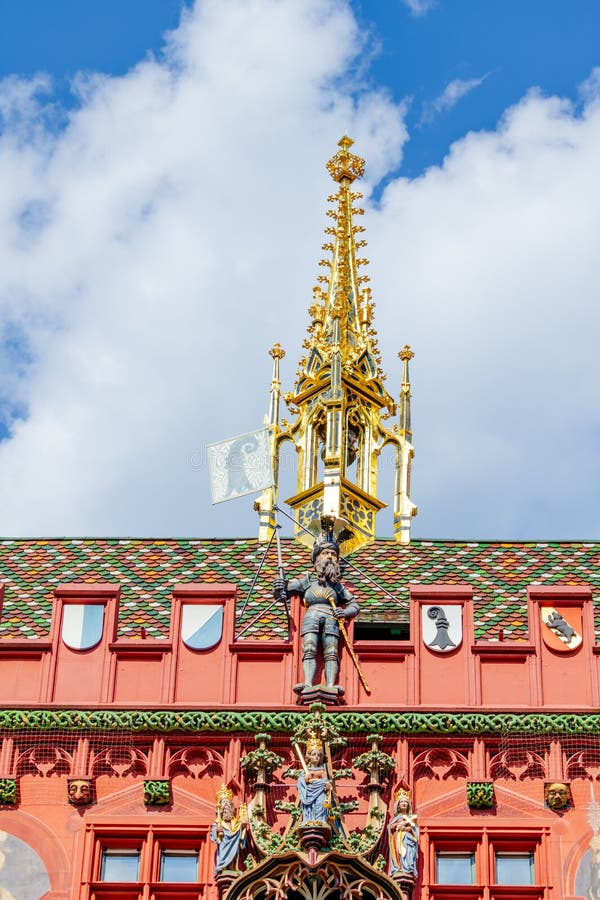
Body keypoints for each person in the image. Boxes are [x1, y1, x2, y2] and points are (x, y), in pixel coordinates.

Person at [274, 536, 359, 693]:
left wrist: (344, 612)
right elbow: (282, 593)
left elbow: (354, 605)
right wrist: (278, 586)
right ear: (316, 558)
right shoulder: (307, 582)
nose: (330, 557)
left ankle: (331, 685)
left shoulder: (337, 586)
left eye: (333, 554)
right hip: (311, 617)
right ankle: (307, 683)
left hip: (331, 618)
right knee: (309, 648)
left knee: (332, 652)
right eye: (325, 553)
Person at [210, 785, 248, 874]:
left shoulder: (235, 821)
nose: (226, 804)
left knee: (234, 858)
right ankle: (222, 866)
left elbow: (239, 831)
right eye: (223, 802)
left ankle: (233, 868)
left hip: (234, 844)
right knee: (223, 855)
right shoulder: (218, 822)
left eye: (227, 802)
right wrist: (217, 831)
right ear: (220, 806)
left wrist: (243, 826)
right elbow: (213, 834)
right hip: (224, 844)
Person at [296, 736, 331, 825]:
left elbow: (326, 782)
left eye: (318, 755)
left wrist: (327, 785)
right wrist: (304, 779)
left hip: (320, 792)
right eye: (314, 754)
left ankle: (320, 821)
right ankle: (308, 821)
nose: (317, 757)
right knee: (309, 806)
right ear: (309, 757)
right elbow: (299, 783)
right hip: (308, 793)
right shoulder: (305, 771)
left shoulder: (322, 770)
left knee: (320, 804)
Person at [389, 788, 419, 879]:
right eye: (401, 802)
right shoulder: (396, 818)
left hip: (408, 839)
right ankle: (399, 866)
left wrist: (407, 828)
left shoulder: (411, 818)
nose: (404, 803)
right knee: (399, 852)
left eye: (406, 802)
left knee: (408, 851)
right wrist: (397, 825)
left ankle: (408, 867)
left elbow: (415, 832)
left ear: (408, 805)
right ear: (398, 805)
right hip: (397, 839)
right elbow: (390, 828)